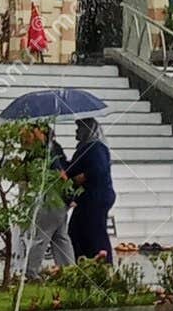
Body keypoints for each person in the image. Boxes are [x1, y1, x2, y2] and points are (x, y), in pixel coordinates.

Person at [18, 123, 74, 277]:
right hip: (58, 201)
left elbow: (60, 174)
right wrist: (69, 197)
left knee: (40, 237)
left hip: (48, 200)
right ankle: (69, 271)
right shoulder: (54, 148)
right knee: (61, 237)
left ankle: (30, 273)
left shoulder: (42, 152)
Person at [68, 117, 115, 262]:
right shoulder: (87, 148)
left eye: (80, 128)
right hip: (90, 197)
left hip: (95, 197)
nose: (76, 132)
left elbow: (99, 170)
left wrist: (83, 177)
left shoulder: (95, 148)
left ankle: (100, 262)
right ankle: (86, 261)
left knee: (93, 231)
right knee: (80, 230)